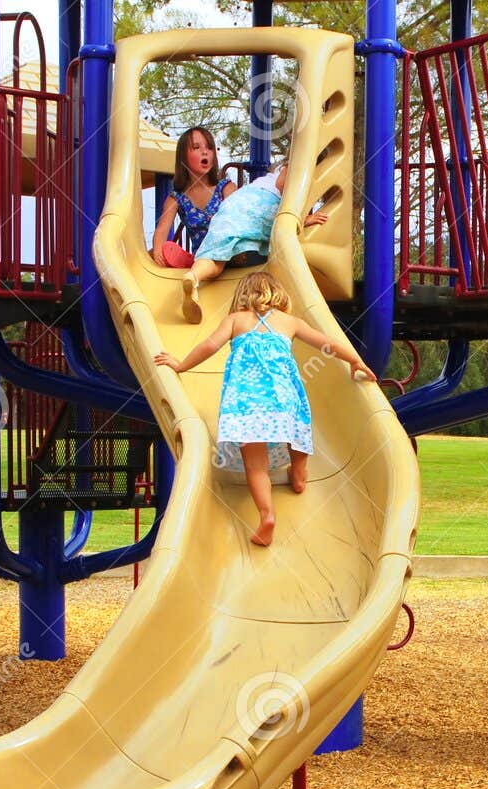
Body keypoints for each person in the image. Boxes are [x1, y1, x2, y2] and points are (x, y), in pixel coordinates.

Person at [154, 271, 374, 547]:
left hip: (246, 404)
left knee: (256, 467)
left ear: (242, 296)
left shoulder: (235, 320)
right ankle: (298, 474)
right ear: (279, 295)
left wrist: (181, 364)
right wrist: (355, 361)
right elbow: (327, 343)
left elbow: (210, 345)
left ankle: (267, 515)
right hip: (284, 399)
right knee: (298, 435)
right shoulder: (290, 322)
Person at [178, 164, 328, 323]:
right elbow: (283, 187)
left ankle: (194, 277)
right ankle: (242, 255)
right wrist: (300, 219)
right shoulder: (294, 166)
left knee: (214, 258)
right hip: (261, 203)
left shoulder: (265, 177)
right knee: (270, 240)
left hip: (231, 207)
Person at [151, 126, 235, 270]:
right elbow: (162, 230)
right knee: (156, 252)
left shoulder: (226, 188)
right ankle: (190, 261)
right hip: (202, 260)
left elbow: (237, 221)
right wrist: (158, 251)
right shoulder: (178, 198)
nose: (205, 151)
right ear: (183, 157)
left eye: (209, 147)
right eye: (196, 147)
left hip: (227, 253)